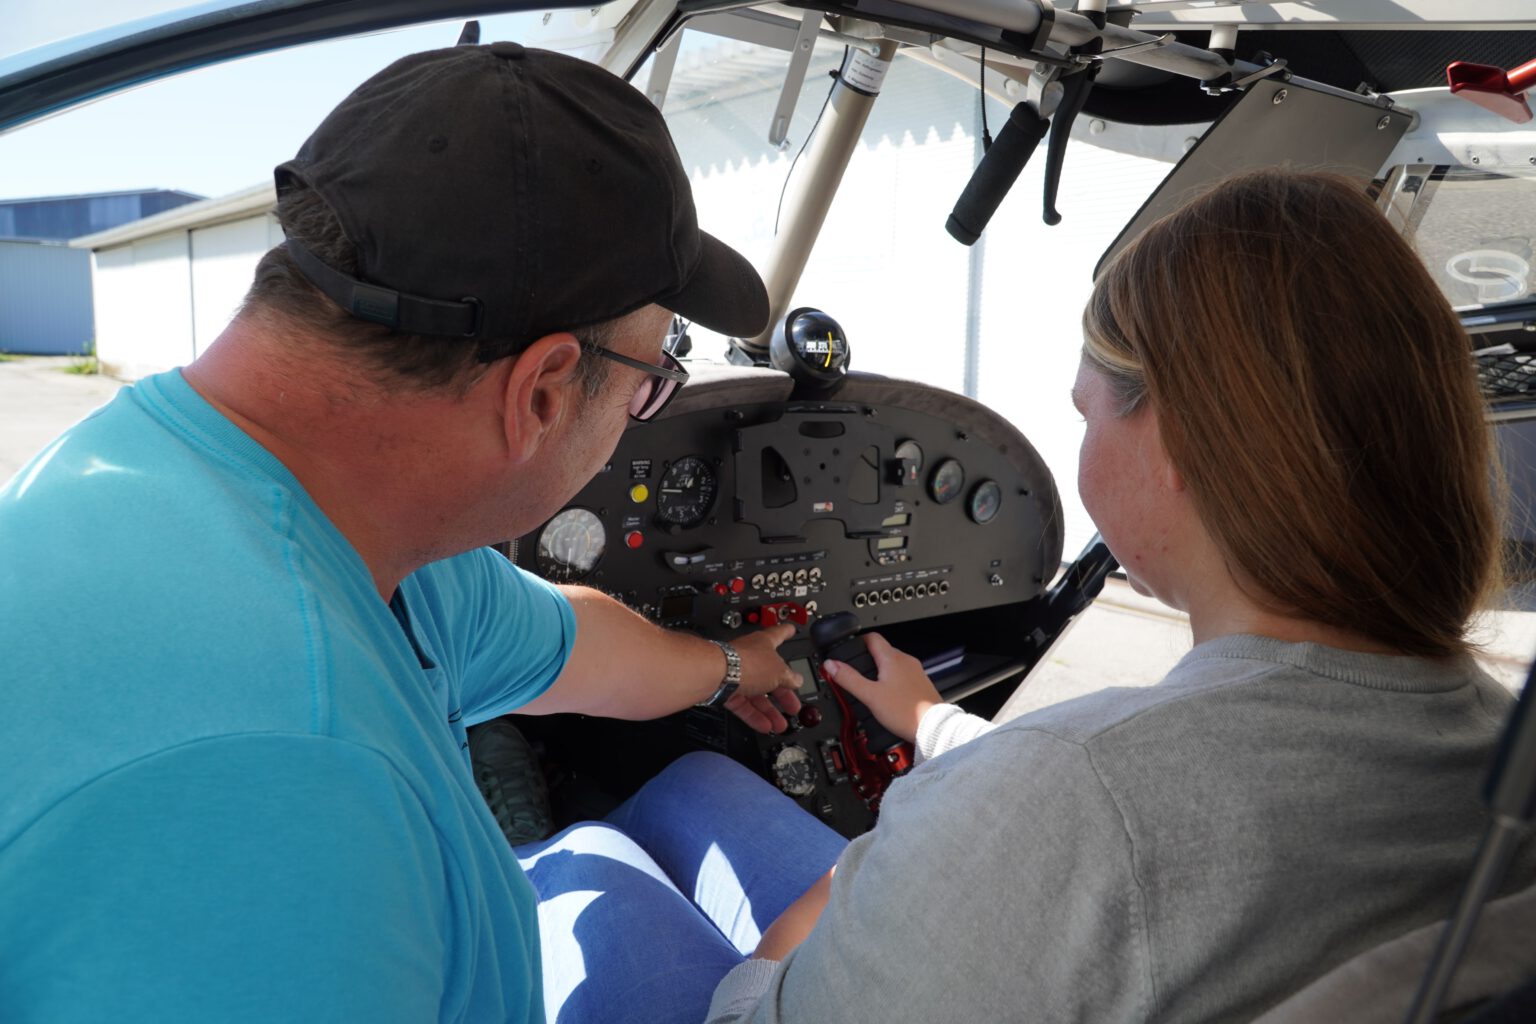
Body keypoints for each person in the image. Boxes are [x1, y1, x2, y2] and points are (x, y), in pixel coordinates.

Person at [530, 169, 1534, 1023]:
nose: (1082, 445)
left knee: (582, 857)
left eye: (1088, 415)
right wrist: (934, 729)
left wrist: (795, 947)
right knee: (692, 792)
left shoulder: (1072, 805)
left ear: (1182, 444)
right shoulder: (1501, 749)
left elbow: (1084, 824)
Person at [0, 44, 809, 1022]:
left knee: (646, 818)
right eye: (651, 380)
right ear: (545, 389)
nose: (646, 404)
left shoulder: (294, 507)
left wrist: (735, 667)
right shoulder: (284, 788)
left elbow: (565, 639)